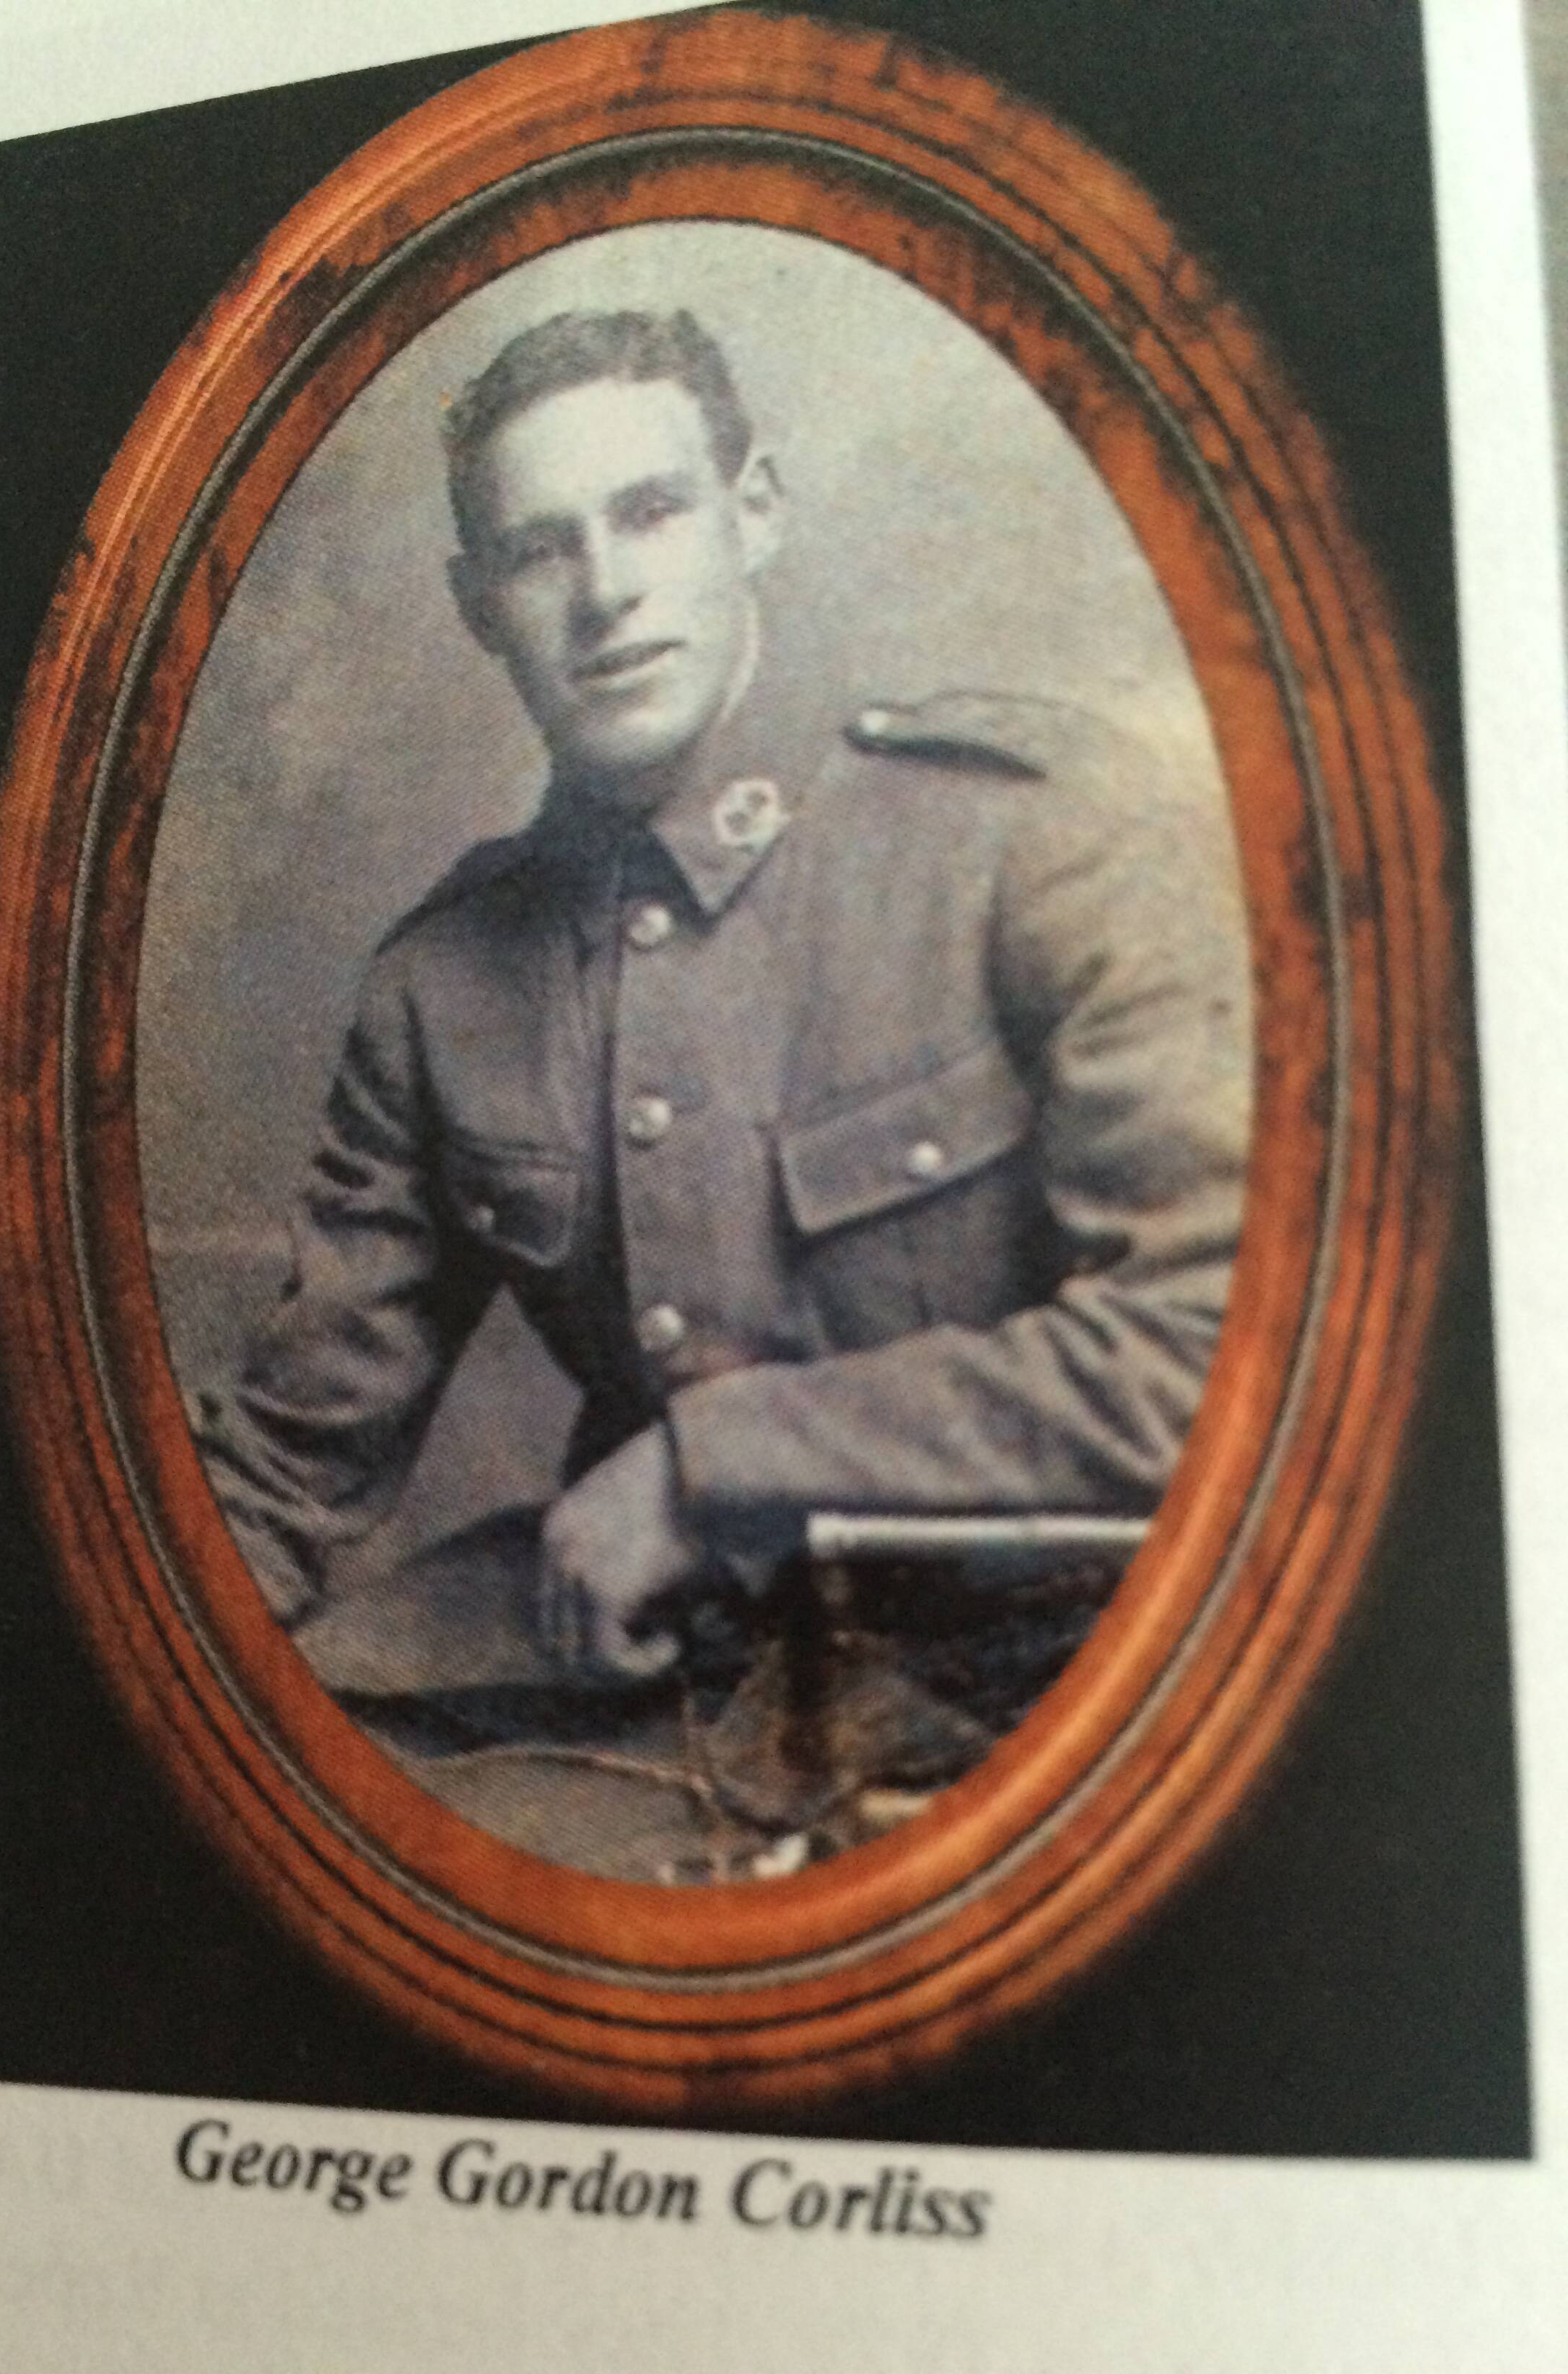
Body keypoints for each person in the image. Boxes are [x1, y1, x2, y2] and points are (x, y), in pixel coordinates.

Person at [195, 306, 1250, 1693]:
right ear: (478, 605)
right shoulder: (443, 987)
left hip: (1043, 1682)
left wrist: (712, 1463)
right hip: (659, 1690)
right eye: (539, 549)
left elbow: (1216, 1351)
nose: (605, 593)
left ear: (753, 515)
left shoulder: (1022, 836)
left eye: (651, 513)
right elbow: (281, 1474)